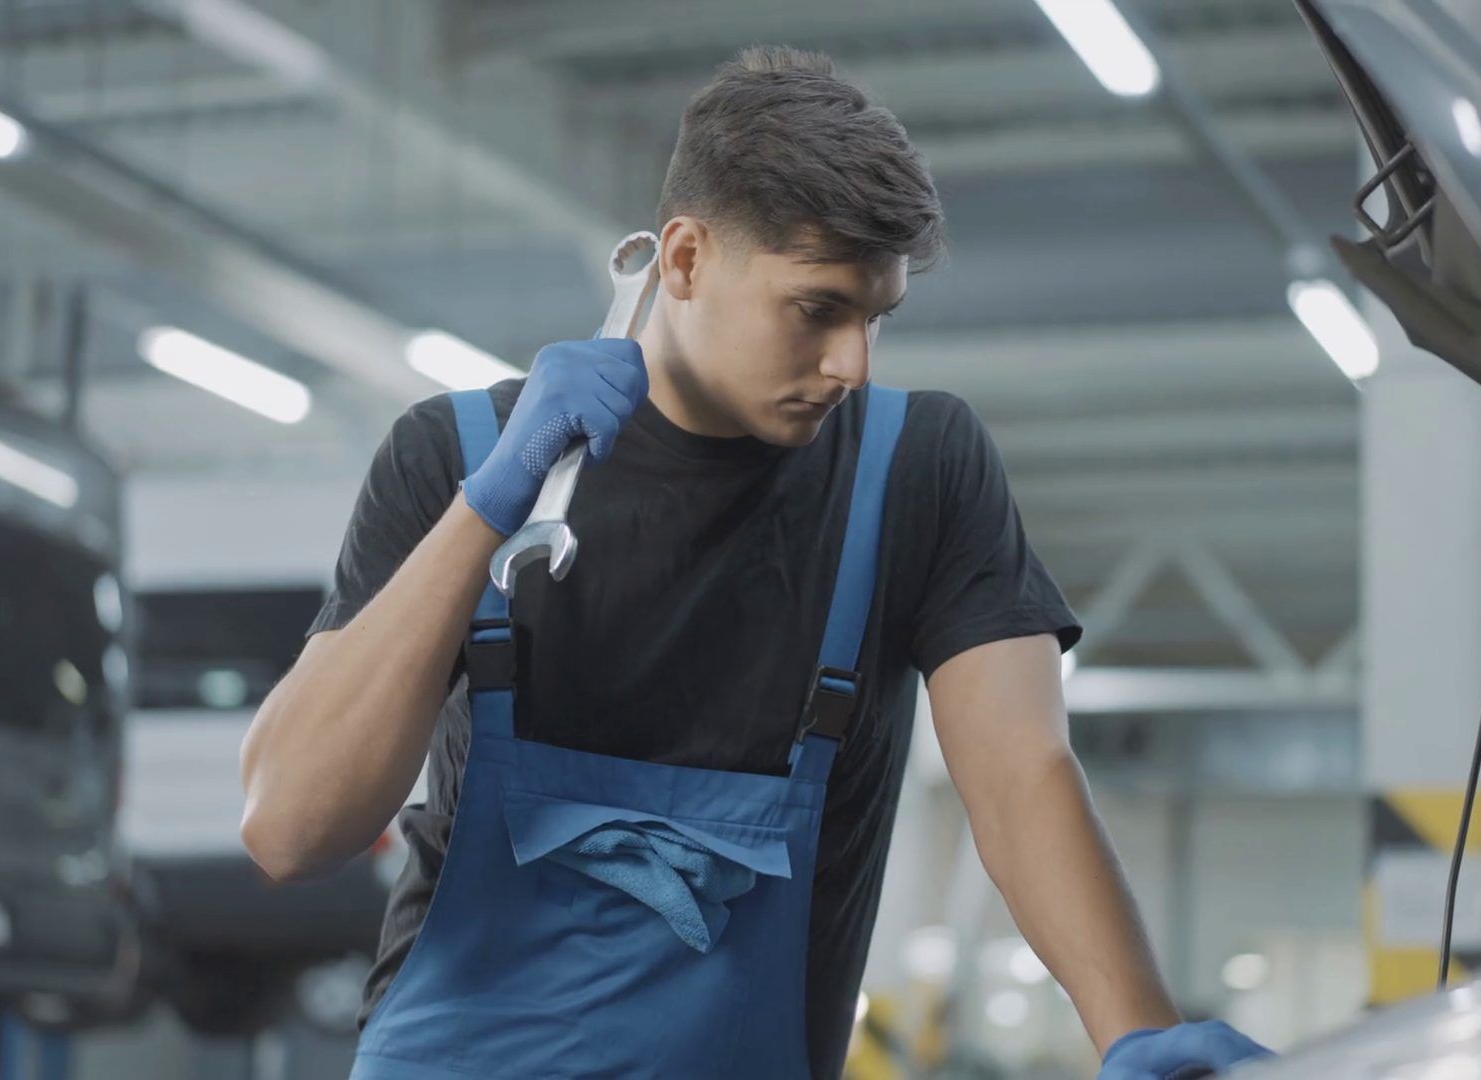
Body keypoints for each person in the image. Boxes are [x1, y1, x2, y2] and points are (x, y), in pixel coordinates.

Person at [240, 45, 1271, 1080]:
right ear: (683, 261)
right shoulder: (455, 455)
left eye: (878, 318)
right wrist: (487, 510)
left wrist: (1135, 1030)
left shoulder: (919, 469)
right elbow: (291, 829)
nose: (853, 365)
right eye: (819, 309)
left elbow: (1021, 776)